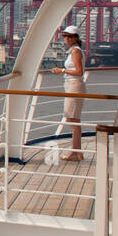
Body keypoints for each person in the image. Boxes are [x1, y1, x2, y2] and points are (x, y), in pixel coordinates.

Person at [50, 25, 85, 161]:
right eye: (65, 36)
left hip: (74, 86)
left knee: (72, 119)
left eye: (70, 36)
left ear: (76, 38)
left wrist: (62, 71)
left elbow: (79, 71)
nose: (67, 39)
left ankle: (74, 153)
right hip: (71, 85)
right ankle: (77, 152)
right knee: (73, 119)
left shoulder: (76, 51)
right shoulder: (73, 51)